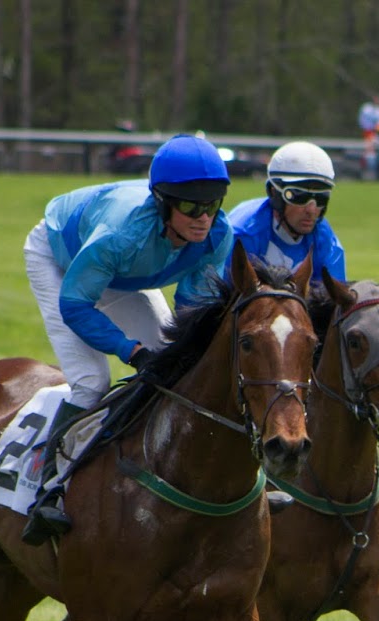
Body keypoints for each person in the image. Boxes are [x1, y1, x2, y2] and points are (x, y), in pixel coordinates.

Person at [20, 134, 234, 543]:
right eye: (191, 206)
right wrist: (128, 349)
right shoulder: (122, 235)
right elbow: (77, 304)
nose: (203, 218)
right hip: (61, 261)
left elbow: (192, 311)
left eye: (212, 205)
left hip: (123, 273)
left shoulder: (216, 236)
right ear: (164, 201)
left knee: (173, 366)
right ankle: (48, 490)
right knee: (91, 382)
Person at [181, 141, 346, 303]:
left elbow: (332, 307)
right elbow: (210, 305)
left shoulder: (327, 241)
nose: (311, 210)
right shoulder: (241, 234)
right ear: (274, 193)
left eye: (321, 198)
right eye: (299, 197)